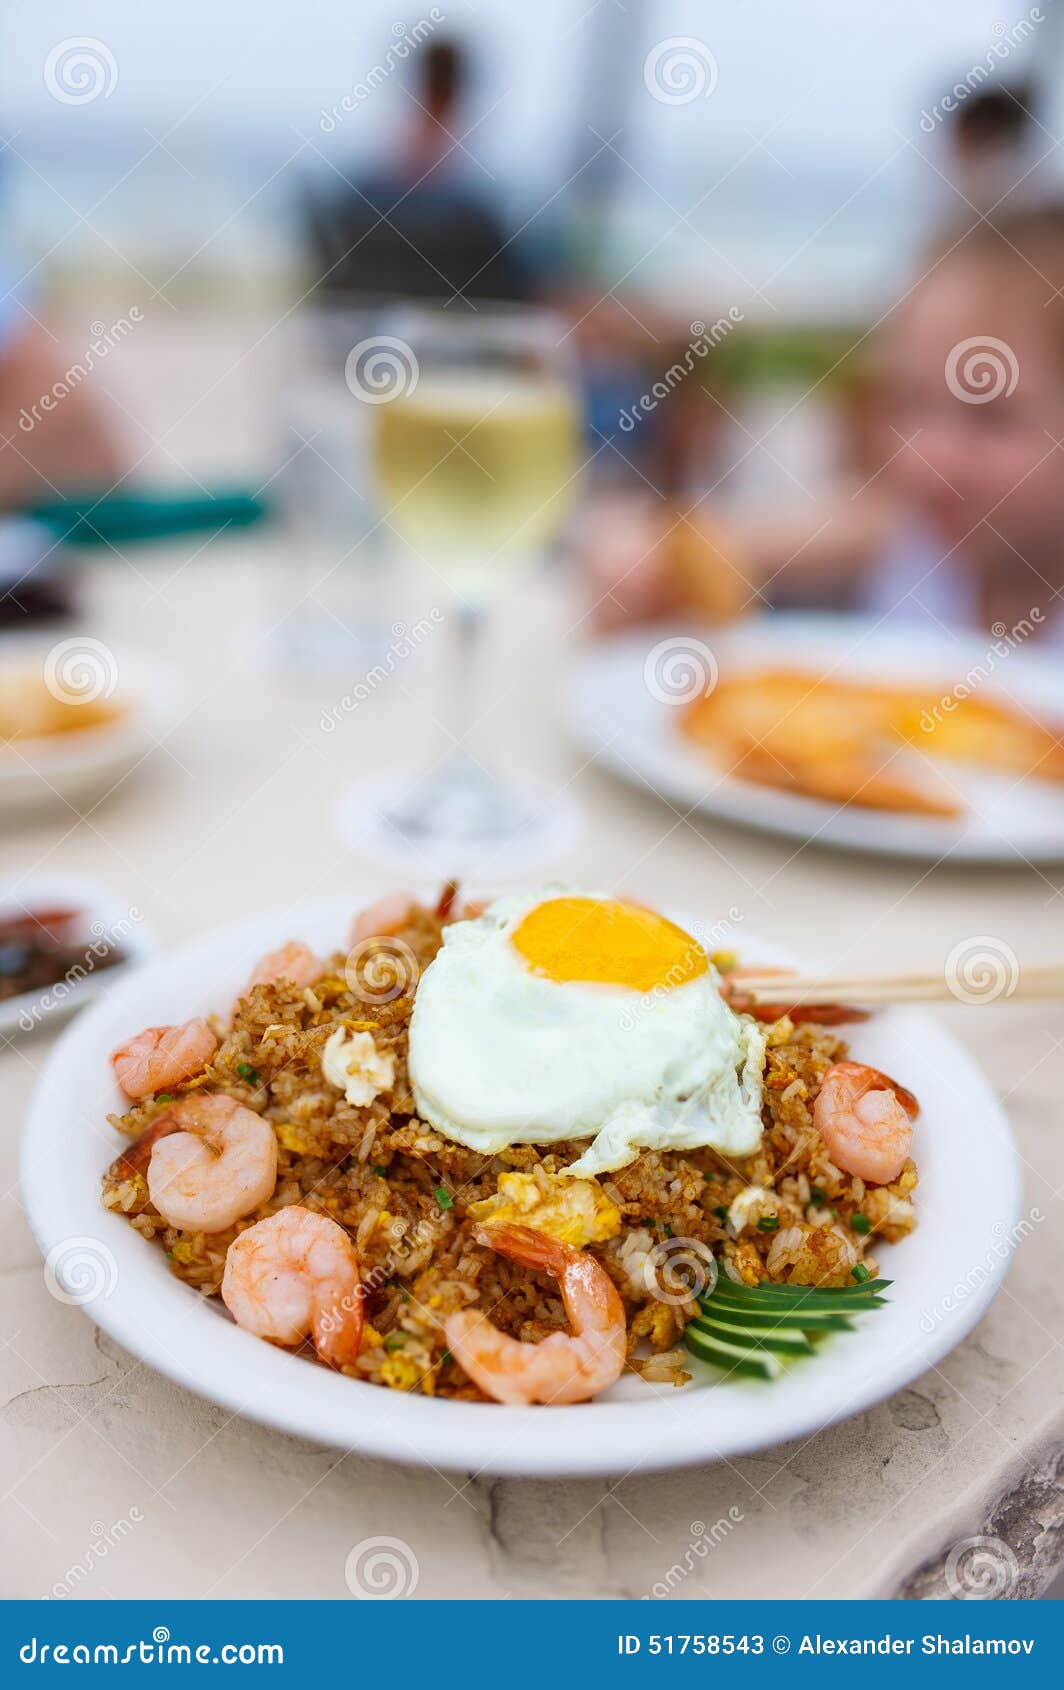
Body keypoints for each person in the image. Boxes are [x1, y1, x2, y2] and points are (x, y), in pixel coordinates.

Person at [585, 202, 1064, 646]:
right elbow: (708, 544)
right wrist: (645, 565)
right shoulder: (908, 534)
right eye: (910, 401)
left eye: (992, 417)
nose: (929, 458)